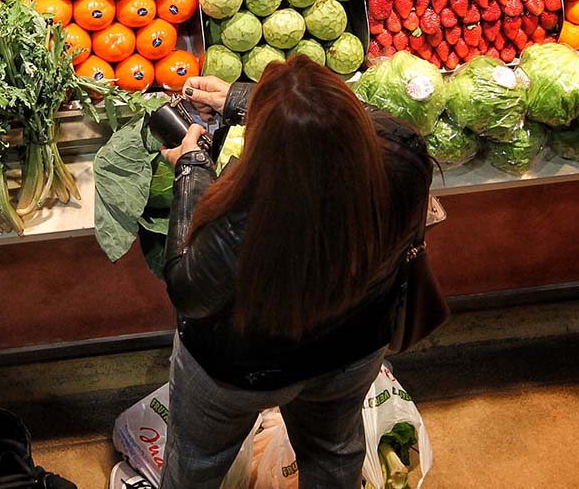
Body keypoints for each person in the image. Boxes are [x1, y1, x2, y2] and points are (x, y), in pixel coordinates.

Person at [157, 57, 432, 489]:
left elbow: (190, 291)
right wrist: (255, 102)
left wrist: (191, 167)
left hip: (243, 369)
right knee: (333, 452)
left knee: (198, 462)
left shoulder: (247, 218)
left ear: (267, 151)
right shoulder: (402, 158)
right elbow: (342, 128)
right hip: (353, 349)